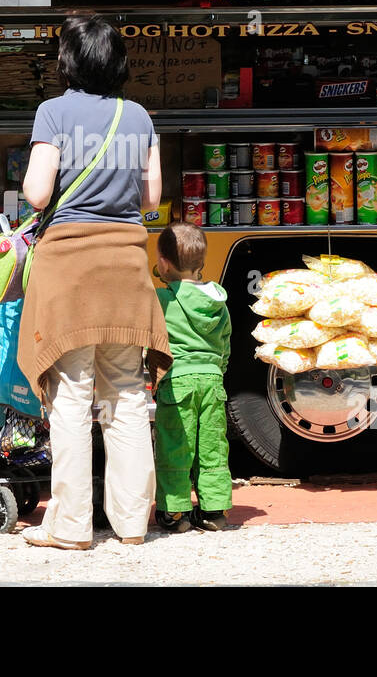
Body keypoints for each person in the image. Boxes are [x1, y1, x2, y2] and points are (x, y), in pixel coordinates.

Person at [17, 14, 170, 550]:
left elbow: (38, 194)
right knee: (127, 394)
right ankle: (132, 524)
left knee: (72, 396)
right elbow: (151, 200)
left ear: (68, 62)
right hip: (126, 269)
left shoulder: (53, 112)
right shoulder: (140, 117)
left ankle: (72, 526)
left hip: (71, 273)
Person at [152, 222, 233, 533]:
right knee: (213, 447)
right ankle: (214, 510)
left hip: (178, 383)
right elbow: (225, 345)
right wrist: (217, 372)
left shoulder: (164, 299)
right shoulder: (219, 303)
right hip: (213, 383)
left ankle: (174, 511)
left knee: (175, 446)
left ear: (165, 263)